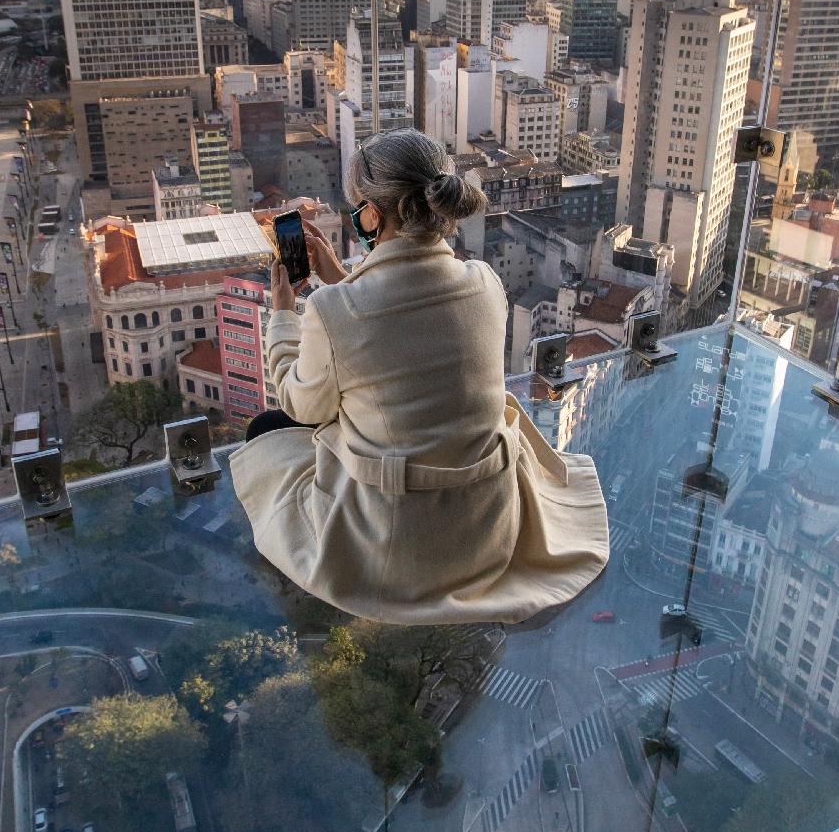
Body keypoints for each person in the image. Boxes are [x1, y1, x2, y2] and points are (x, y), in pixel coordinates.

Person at [230, 130, 609, 624]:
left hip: (399, 546)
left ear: (370, 214)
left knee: (268, 430)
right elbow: (403, 337)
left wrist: (284, 315)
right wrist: (344, 281)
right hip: (488, 528)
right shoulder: (483, 282)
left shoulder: (332, 310)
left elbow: (306, 406)